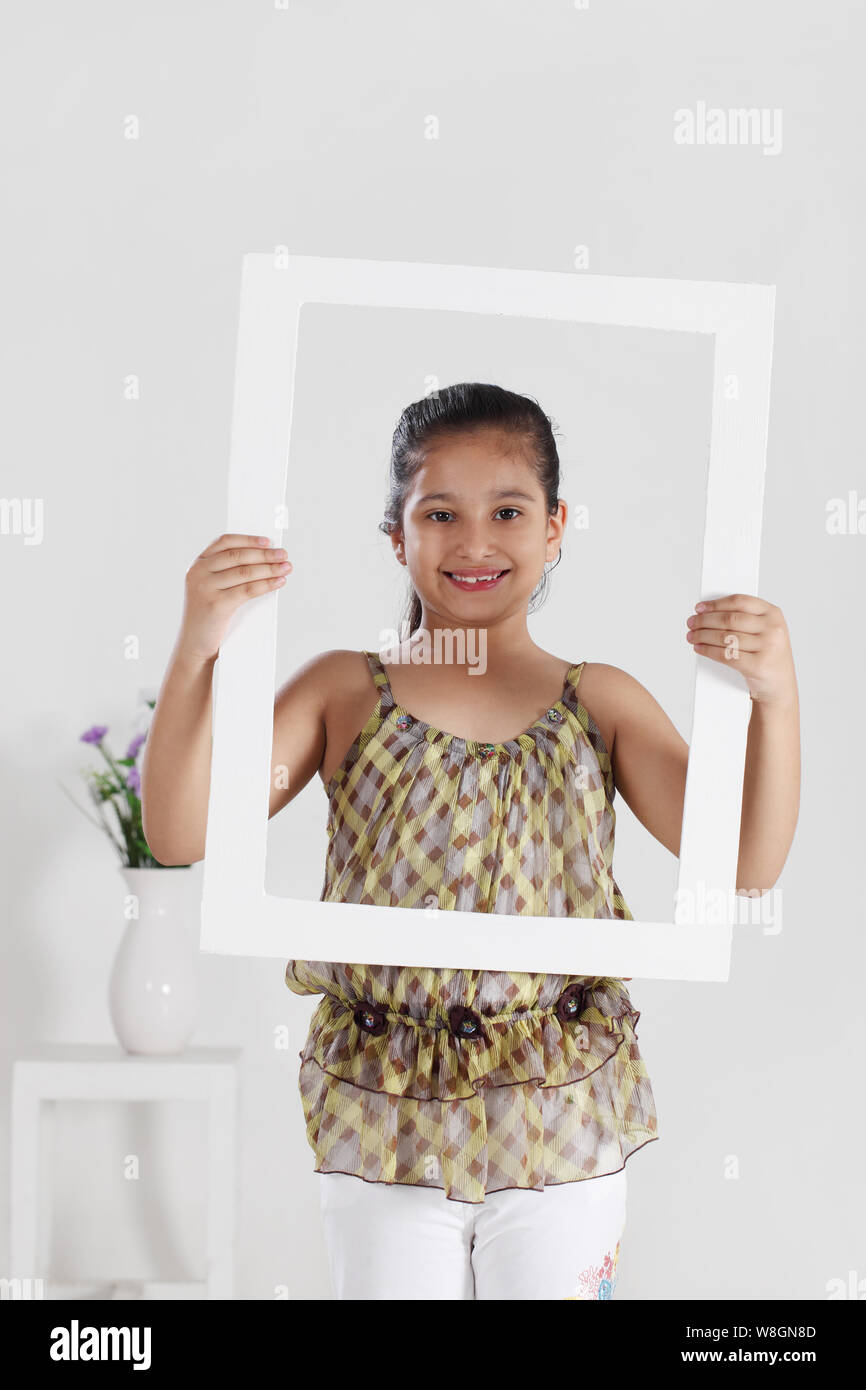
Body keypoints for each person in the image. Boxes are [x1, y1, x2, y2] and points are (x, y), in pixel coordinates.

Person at [141, 381, 801, 1301]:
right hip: (387, 1104)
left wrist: (775, 697)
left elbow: (745, 864)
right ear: (396, 535)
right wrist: (196, 646)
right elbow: (176, 835)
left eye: (508, 511)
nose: (476, 541)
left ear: (557, 526)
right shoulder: (346, 691)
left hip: (558, 1104)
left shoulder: (596, 703)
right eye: (439, 512)